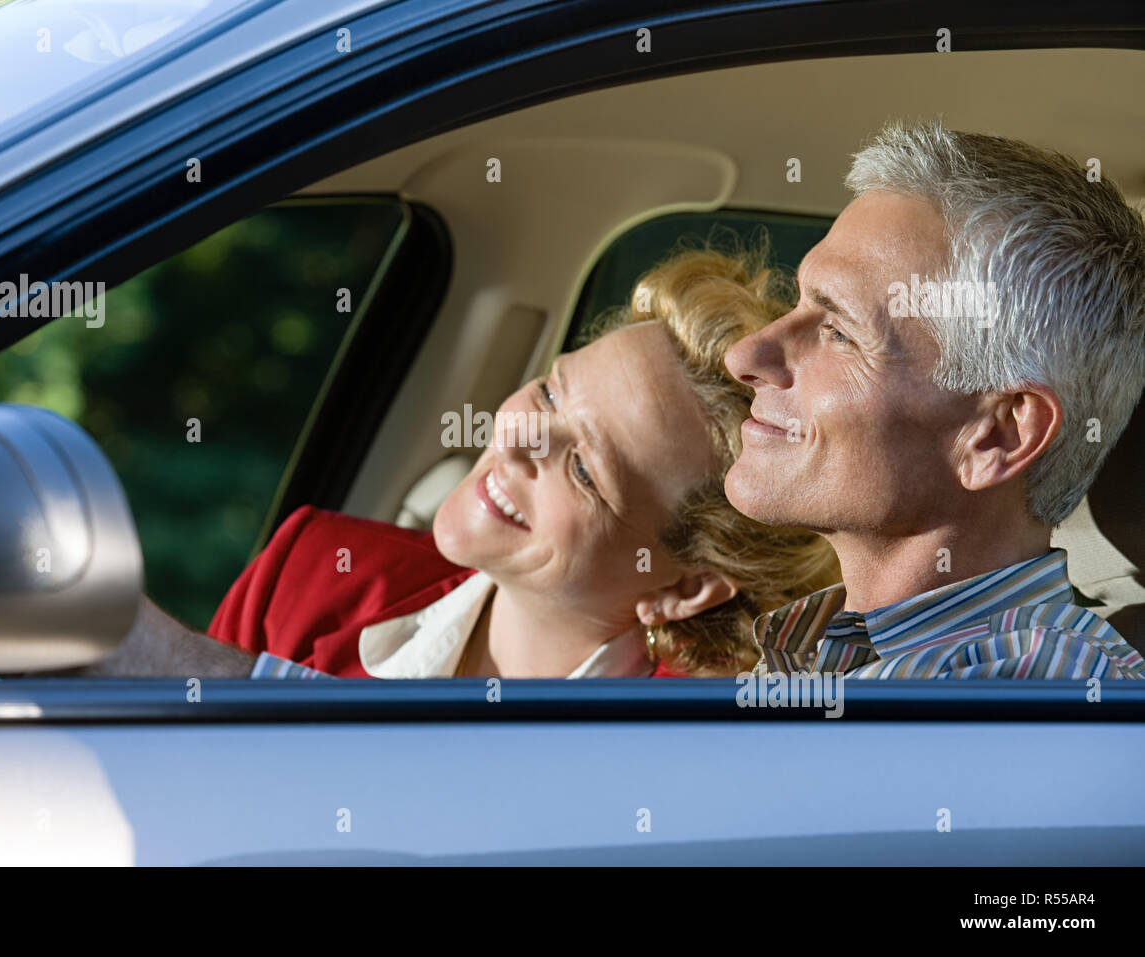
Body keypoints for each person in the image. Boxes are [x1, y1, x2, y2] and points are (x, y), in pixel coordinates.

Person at [91, 245, 839, 678]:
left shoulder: (693, 764)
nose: (519, 439)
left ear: (686, 586)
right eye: (550, 393)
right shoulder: (309, 571)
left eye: (585, 470)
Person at [723, 120, 1145, 680]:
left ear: (997, 435)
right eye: (797, 302)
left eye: (839, 331)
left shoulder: (1031, 685)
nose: (746, 354)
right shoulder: (840, 657)